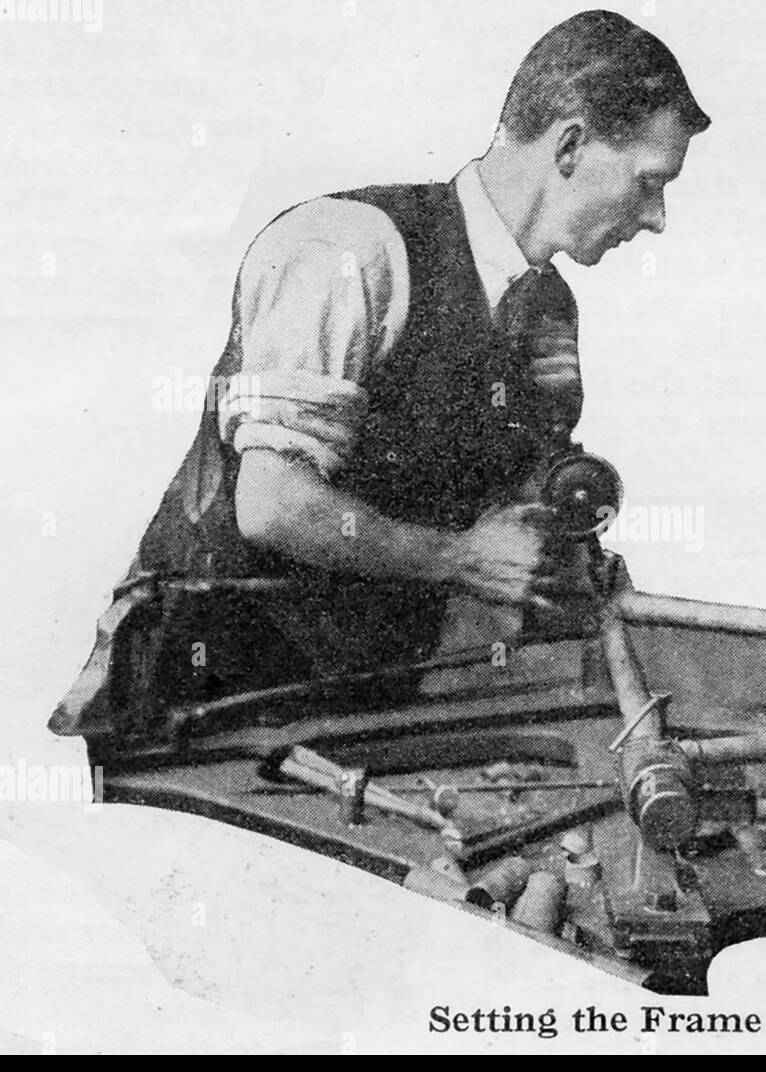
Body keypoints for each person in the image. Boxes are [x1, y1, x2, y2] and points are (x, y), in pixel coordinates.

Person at [50, 10, 709, 739]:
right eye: (649, 183)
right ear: (572, 146)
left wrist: (562, 554)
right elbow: (271, 505)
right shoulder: (346, 250)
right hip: (201, 702)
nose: (657, 219)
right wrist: (463, 558)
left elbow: (521, 497)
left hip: (371, 701)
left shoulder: (547, 309)